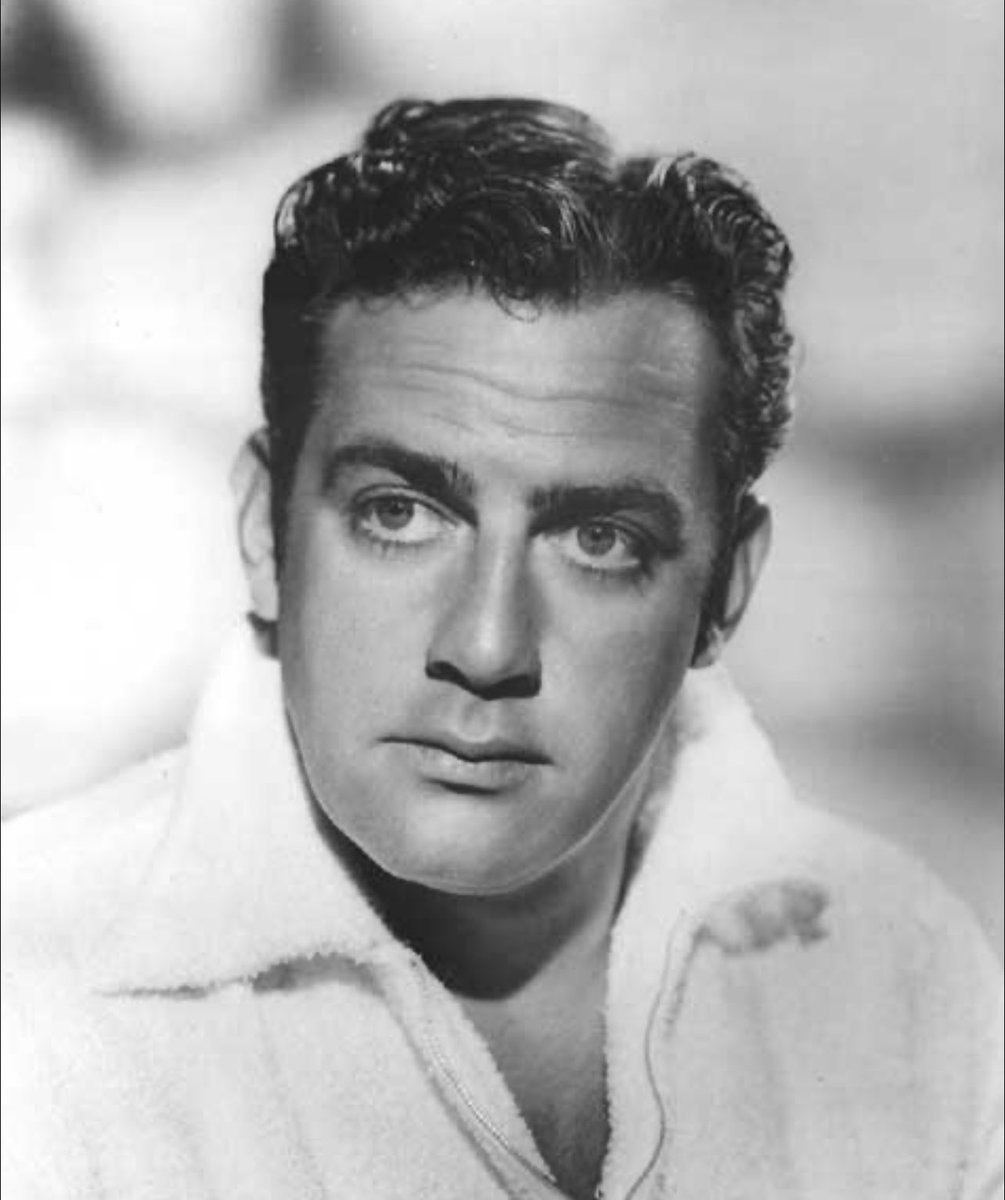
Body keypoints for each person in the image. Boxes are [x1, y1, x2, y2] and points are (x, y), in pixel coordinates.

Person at [2, 97, 1001, 1200]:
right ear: (261, 531)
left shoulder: (905, 979)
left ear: (727, 589)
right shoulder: (30, 1010)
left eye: (599, 541)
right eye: (398, 513)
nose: (485, 647)